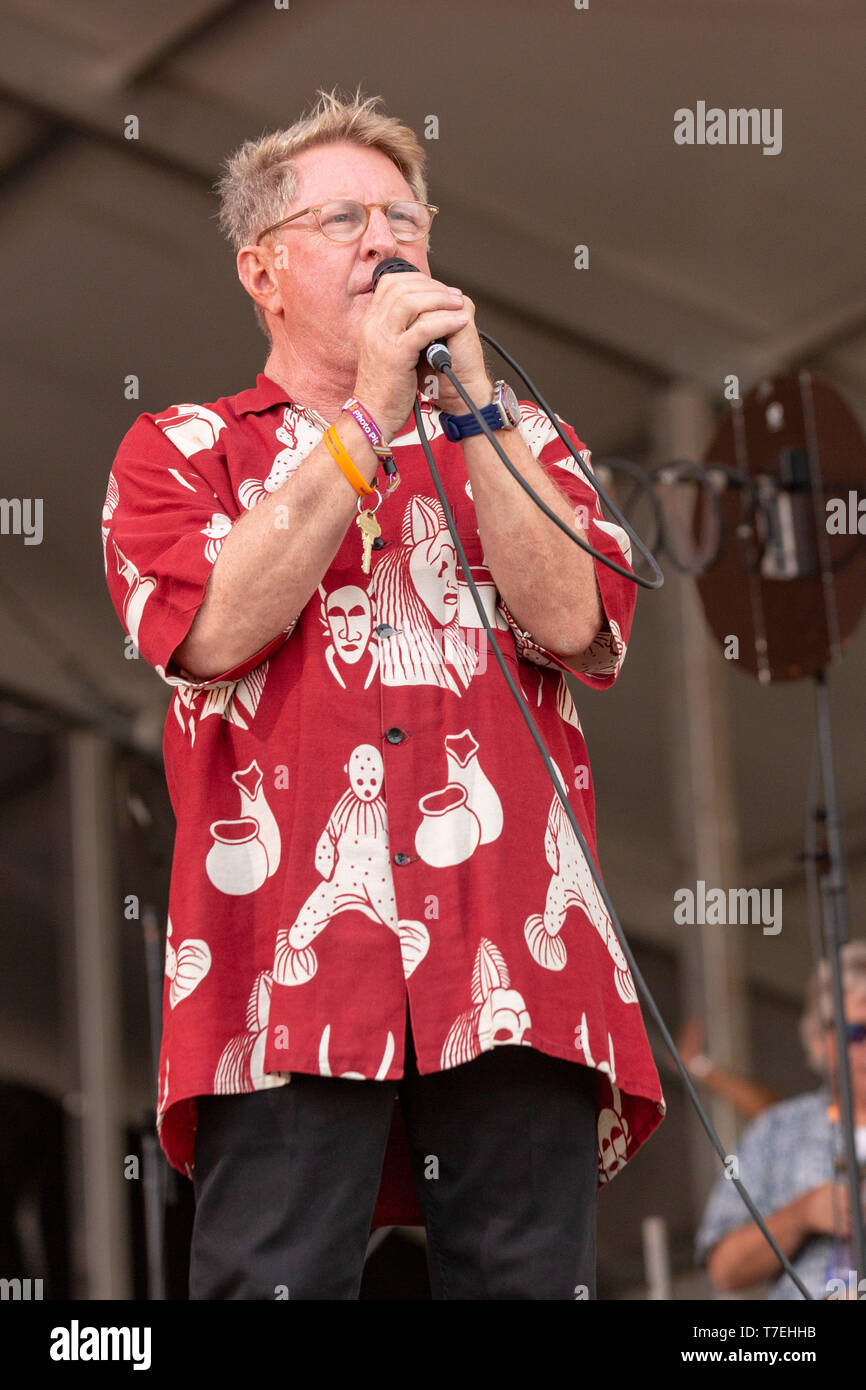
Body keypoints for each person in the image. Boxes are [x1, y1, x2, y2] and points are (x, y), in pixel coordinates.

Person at [102, 88, 664, 1301]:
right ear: (264, 268)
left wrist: (470, 415)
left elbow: (581, 619)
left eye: (405, 216)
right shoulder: (185, 448)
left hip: (515, 949)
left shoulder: (524, 439)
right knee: (271, 1280)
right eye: (345, 216)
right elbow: (209, 629)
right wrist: (366, 416)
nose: (386, 239)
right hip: (286, 962)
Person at [695, 940, 866, 1300]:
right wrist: (801, 1215)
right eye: (857, 1033)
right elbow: (724, 1270)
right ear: (819, 1040)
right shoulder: (775, 1131)